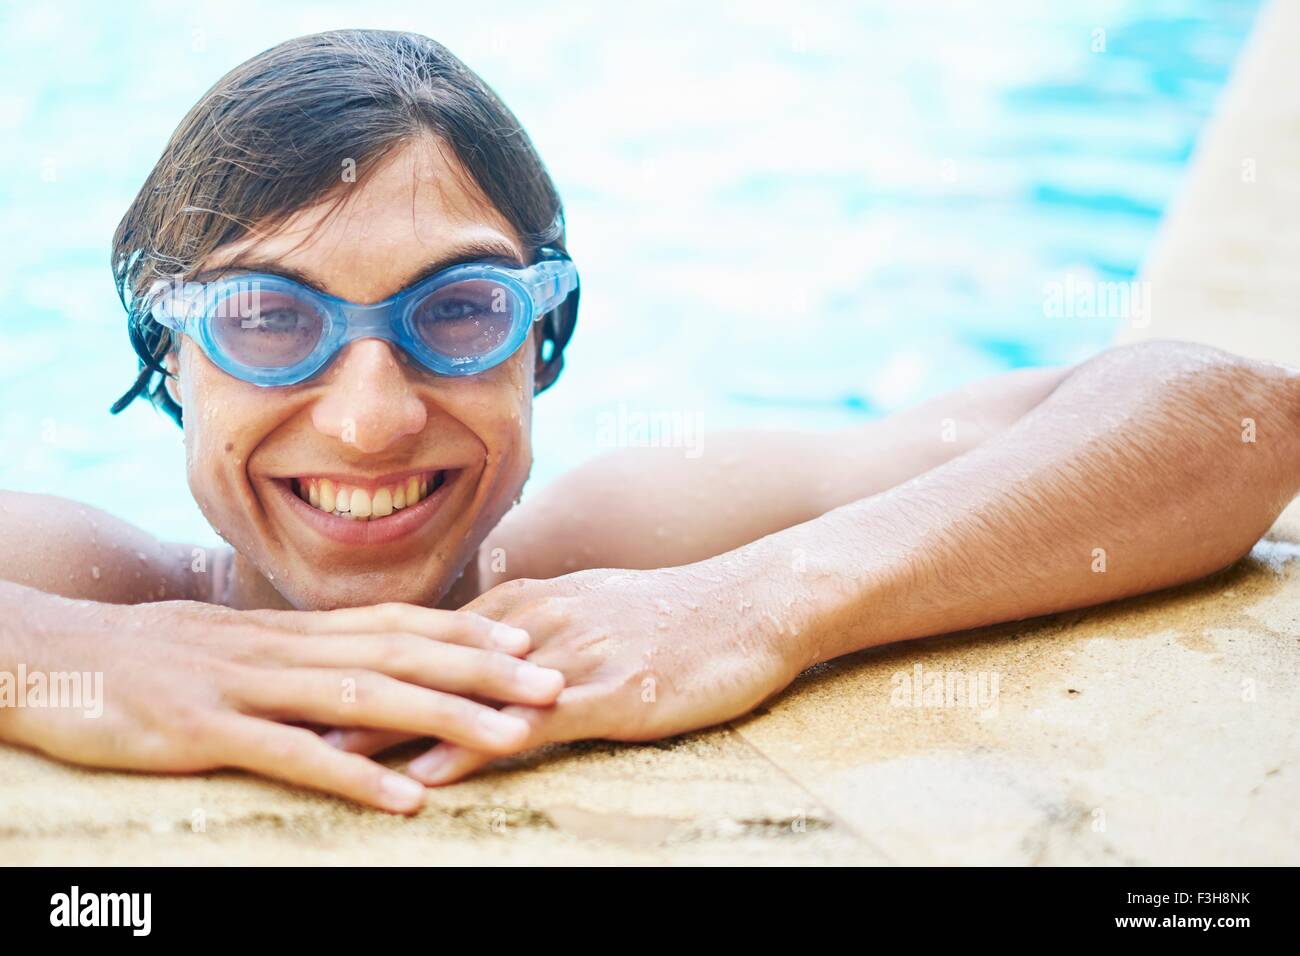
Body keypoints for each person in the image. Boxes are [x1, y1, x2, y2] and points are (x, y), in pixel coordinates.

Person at [1, 30, 1296, 814]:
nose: (371, 418)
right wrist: (69, 657)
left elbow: (1232, 414)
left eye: (458, 312)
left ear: (542, 341)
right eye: (268, 320)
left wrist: (761, 604)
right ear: (169, 356)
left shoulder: (608, 553)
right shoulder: (101, 593)